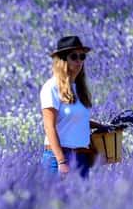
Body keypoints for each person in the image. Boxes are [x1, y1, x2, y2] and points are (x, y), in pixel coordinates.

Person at [40, 35, 101, 177]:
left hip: (81, 158)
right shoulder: (51, 87)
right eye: (74, 57)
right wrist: (61, 161)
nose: (79, 61)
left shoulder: (80, 89)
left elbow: (75, 120)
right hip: (58, 158)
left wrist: (100, 126)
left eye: (82, 57)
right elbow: (50, 127)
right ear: (62, 60)